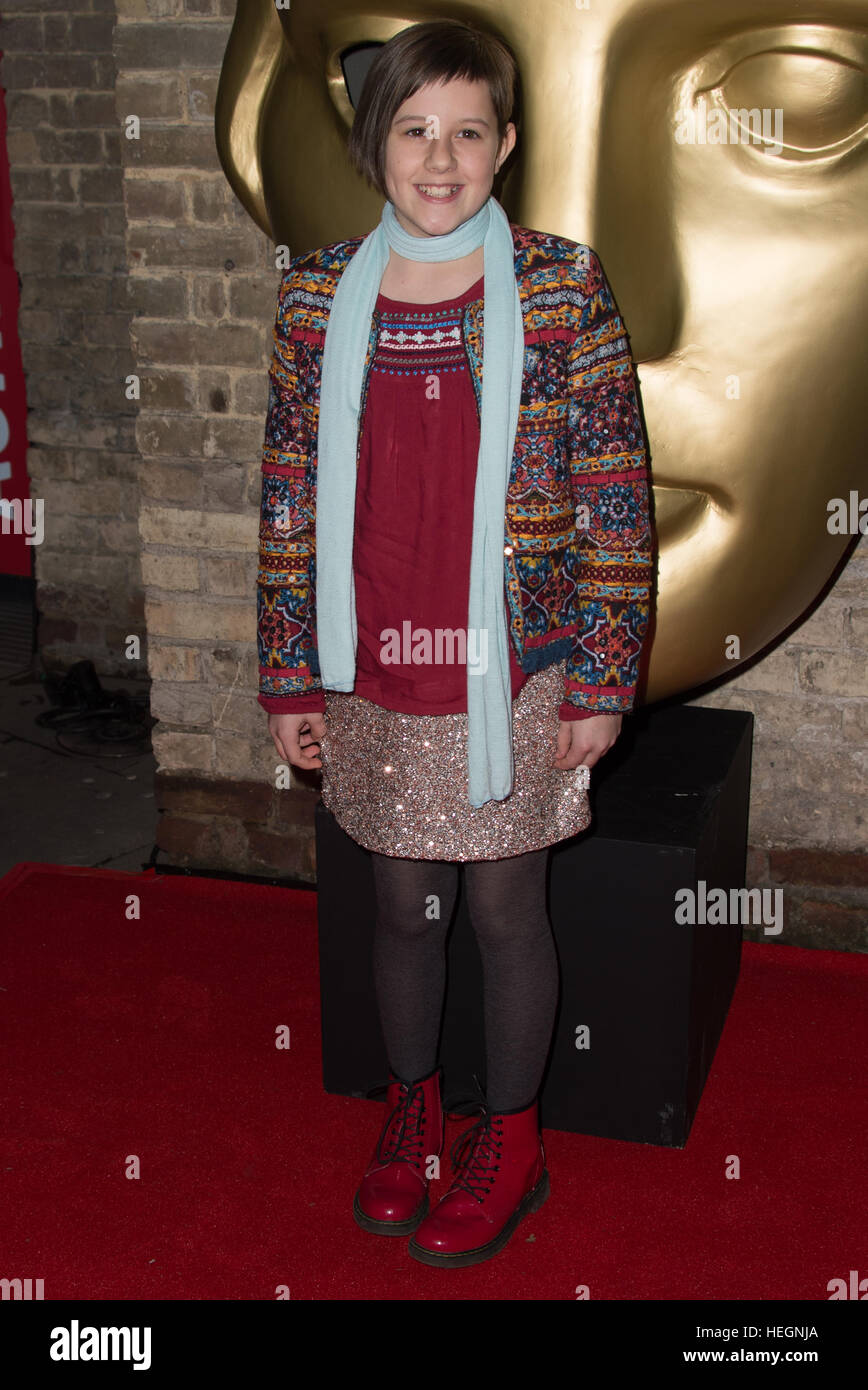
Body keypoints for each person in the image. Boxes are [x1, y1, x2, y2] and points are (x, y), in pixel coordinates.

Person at [257, 18, 653, 1269]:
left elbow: (612, 488)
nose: (440, 158)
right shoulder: (318, 291)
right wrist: (285, 670)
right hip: (371, 658)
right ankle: (412, 1111)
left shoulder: (561, 283)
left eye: (467, 132)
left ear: (506, 146)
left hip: (518, 666)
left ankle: (512, 1137)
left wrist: (602, 672)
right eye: (415, 130)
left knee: (501, 907)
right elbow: (286, 492)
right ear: (378, 144)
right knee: (398, 905)